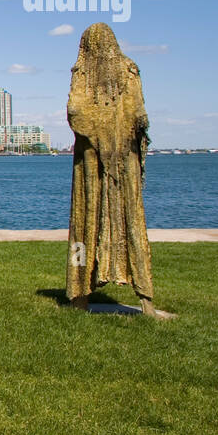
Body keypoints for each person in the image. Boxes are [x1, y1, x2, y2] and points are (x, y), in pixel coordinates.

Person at [65, 22, 164, 317]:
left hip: (91, 164)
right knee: (133, 224)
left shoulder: (82, 74)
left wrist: (96, 138)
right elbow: (139, 115)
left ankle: (79, 294)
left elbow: (76, 111)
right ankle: (146, 300)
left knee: (84, 225)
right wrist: (119, 137)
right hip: (124, 161)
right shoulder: (129, 70)